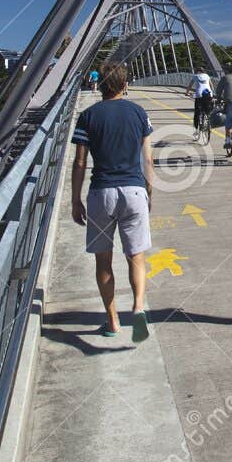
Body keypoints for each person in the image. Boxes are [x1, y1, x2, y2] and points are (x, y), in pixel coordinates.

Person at [71, 62, 153, 343]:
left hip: (101, 192)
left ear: (101, 85)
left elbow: (80, 162)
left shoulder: (88, 116)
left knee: (103, 260)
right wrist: (149, 191)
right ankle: (139, 307)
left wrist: (75, 199)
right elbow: (147, 159)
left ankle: (112, 319)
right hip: (134, 191)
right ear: (124, 84)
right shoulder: (139, 113)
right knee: (136, 257)